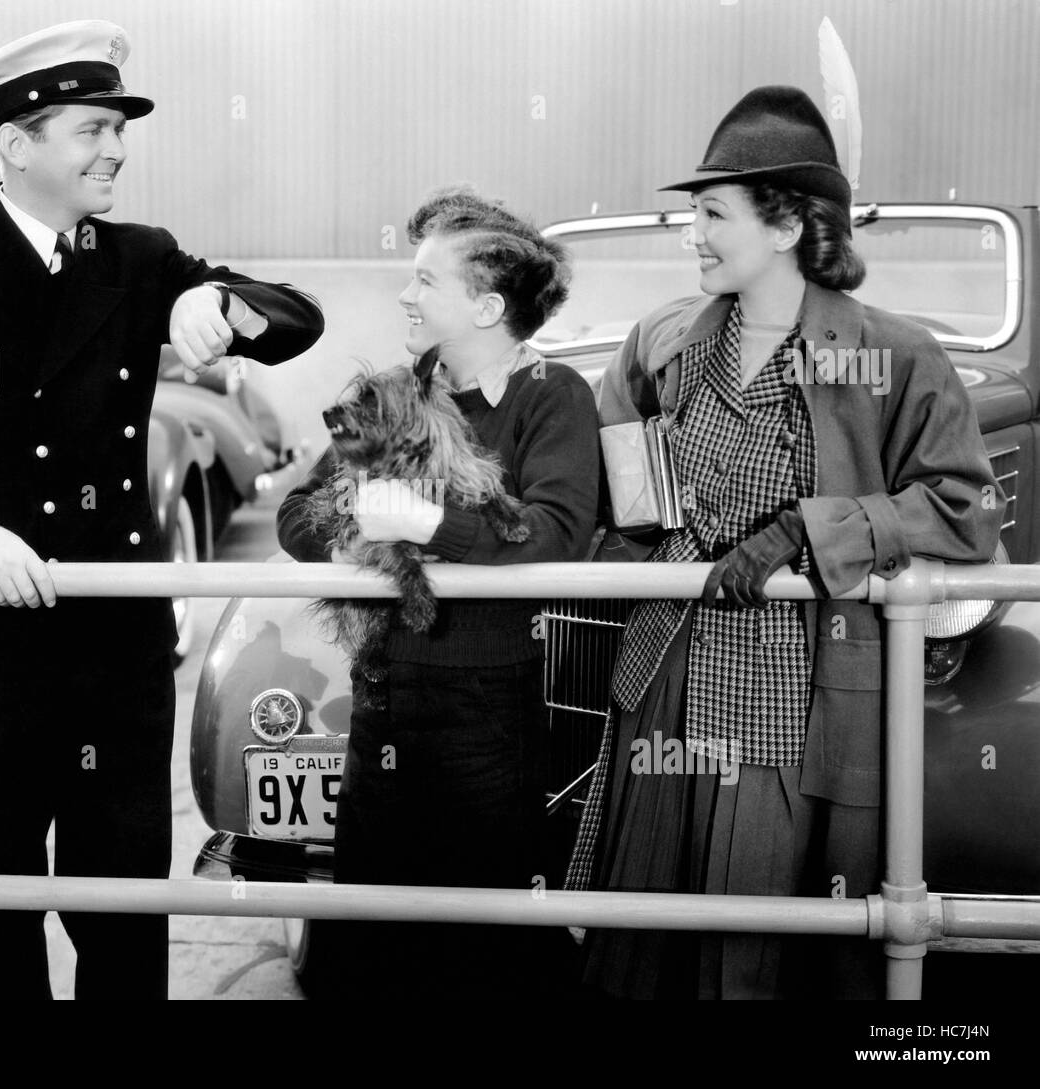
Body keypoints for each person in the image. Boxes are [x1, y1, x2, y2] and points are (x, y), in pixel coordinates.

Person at [0, 20, 323, 1000]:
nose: (115, 149)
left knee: (125, 901)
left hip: (116, 647)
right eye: (90, 129)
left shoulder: (138, 258)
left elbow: (300, 320)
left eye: (116, 129)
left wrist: (219, 301)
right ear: (16, 143)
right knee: (3, 902)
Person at [565, 85, 1002, 999]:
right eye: (693, 214)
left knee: (765, 939)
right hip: (664, 681)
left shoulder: (895, 356)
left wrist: (811, 529)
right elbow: (608, 482)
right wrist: (624, 550)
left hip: (794, 696)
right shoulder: (661, 340)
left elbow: (964, 508)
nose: (693, 233)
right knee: (645, 932)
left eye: (713, 213)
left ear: (787, 226)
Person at [277, 188, 601, 996]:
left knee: (476, 941)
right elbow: (292, 516)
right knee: (372, 933)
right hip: (384, 694)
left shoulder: (551, 397)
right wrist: (353, 522)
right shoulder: (398, 390)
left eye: (425, 280)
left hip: (484, 712)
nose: (404, 295)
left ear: (487, 306)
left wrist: (423, 522)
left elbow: (554, 531)